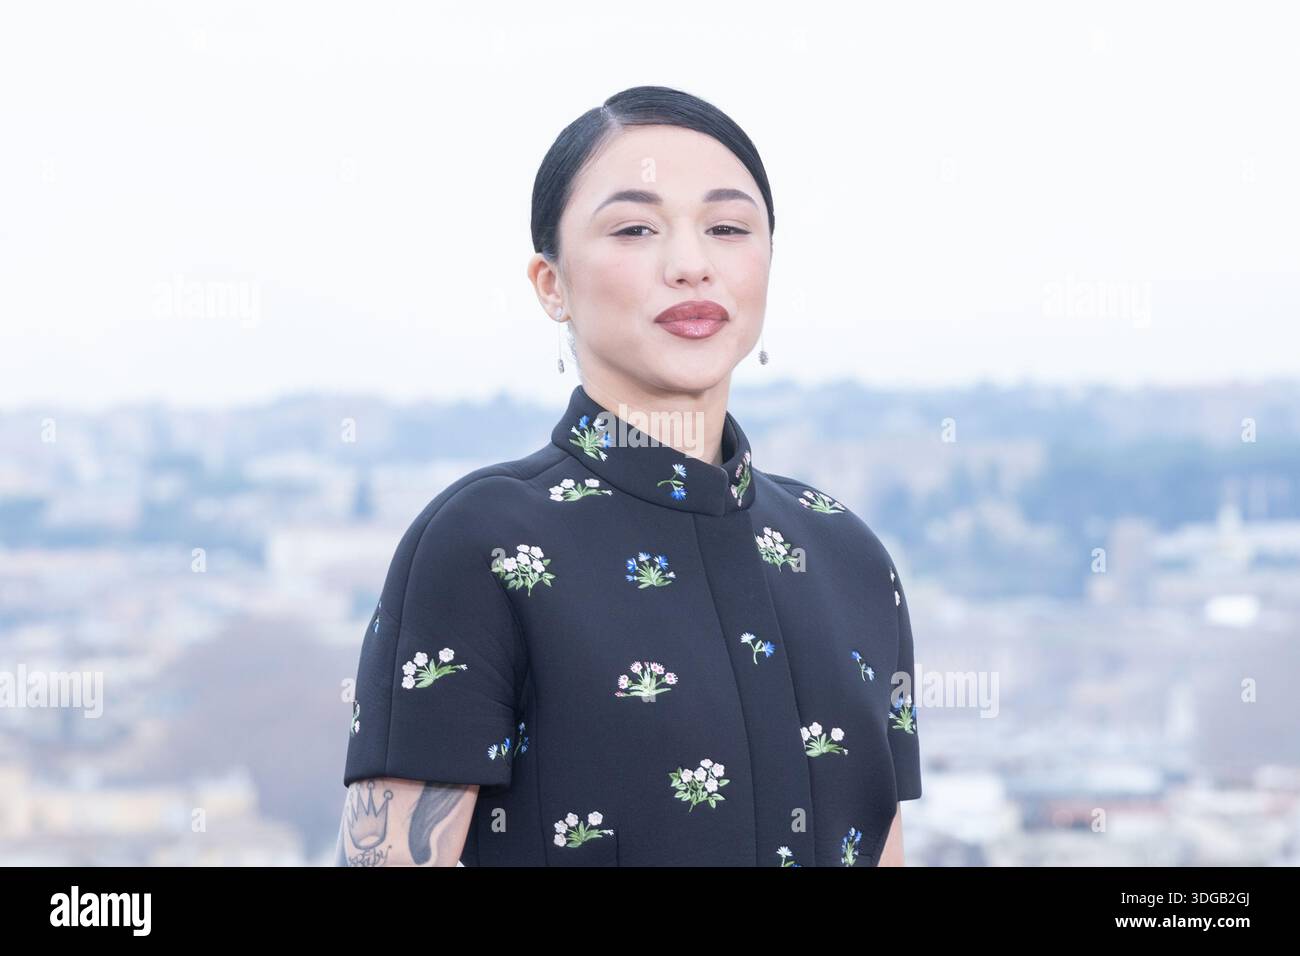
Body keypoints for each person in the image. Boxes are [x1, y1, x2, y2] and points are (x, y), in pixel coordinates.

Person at [335, 85, 921, 867]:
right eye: (636, 228)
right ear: (552, 285)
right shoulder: (483, 543)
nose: (691, 265)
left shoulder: (848, 555)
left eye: (727, 227)